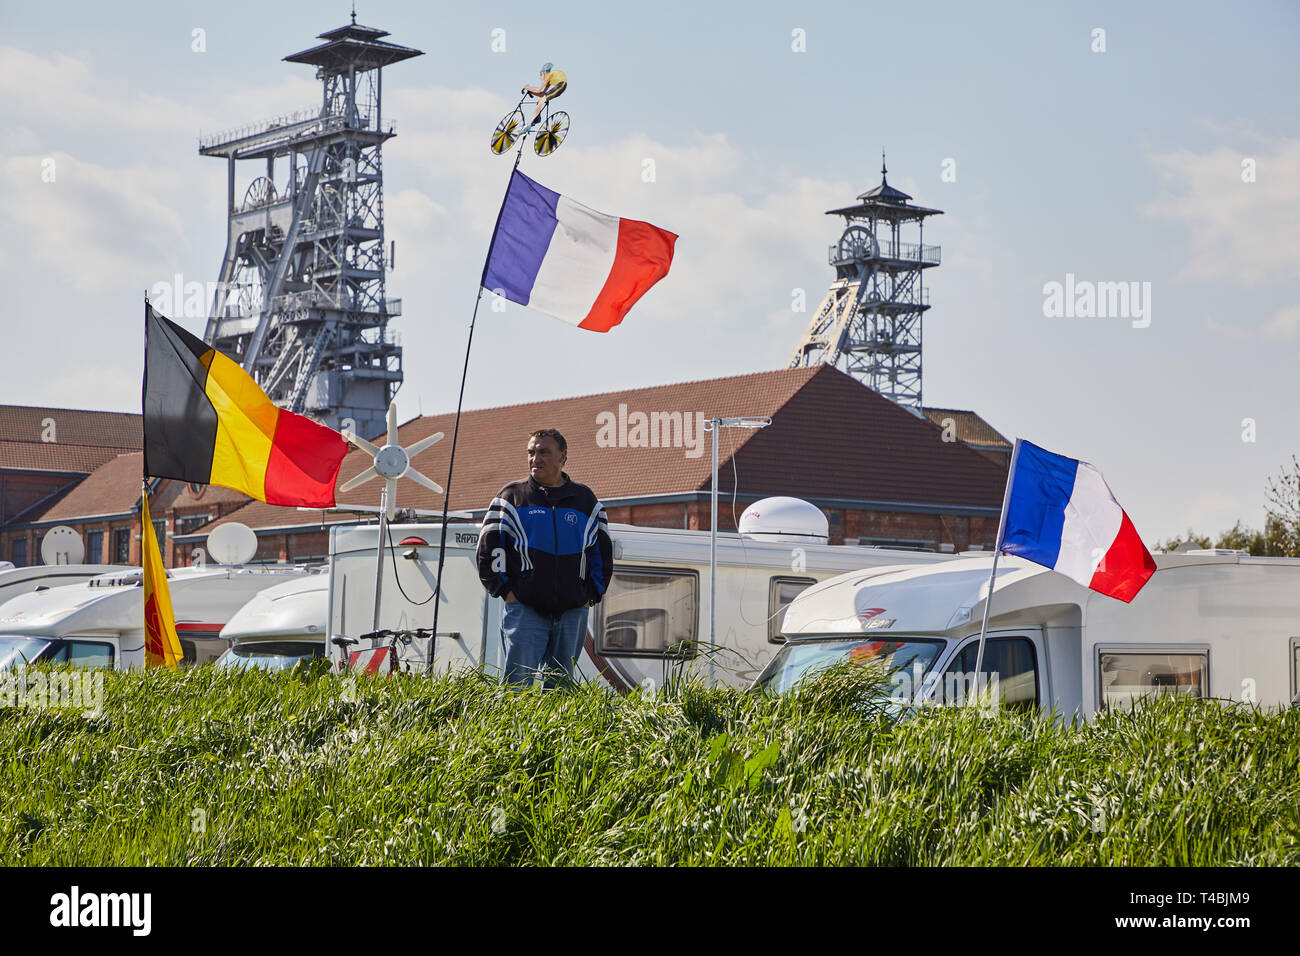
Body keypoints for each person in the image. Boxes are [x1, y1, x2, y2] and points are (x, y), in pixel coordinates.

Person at [476, 428, 612, 688]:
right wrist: (507, 592)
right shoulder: (510, 498)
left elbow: (602, 554)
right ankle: (514, 730)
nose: (535, 458)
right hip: (525, 610)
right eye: (531, 452)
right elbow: (488, 551)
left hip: (573, 611)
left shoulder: (586, 501)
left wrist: (591, 595)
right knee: (517, 687)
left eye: (543, 452)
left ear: (562, 457)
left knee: (561, 688)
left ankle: (557, 730)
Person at [521, 62, 567, 132]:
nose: (540, 77)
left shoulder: (549, 75)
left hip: (561, 85)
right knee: (540, 99)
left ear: (544, 73)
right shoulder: (550, 80)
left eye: (541, 74)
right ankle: (537, 118)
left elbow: (539, 89)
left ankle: (529, 125)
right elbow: (541, 93)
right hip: (561, 86)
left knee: (542, 100)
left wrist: (527, 87)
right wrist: (531, 92)